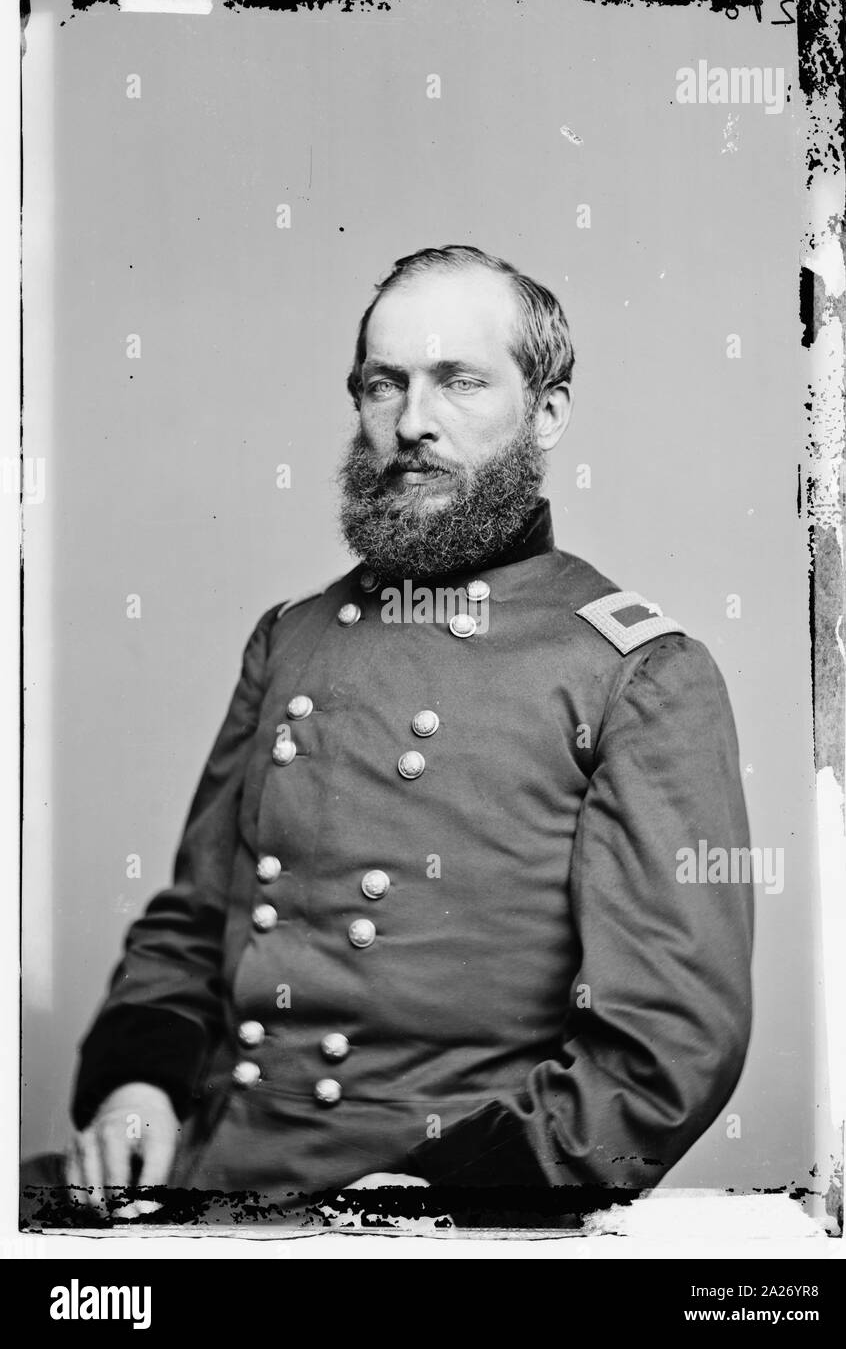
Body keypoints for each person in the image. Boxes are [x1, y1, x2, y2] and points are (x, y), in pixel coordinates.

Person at [32, 245, 754, 1227]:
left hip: (420, 1207)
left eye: (459, 380)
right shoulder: (292, 636)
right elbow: (192, 925)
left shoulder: (636, 671)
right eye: (385, 383)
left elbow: (663, 1044)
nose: (412, 423)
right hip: (205, 1163)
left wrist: (435, 1205)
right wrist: (137, 1090)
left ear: (546, 411)